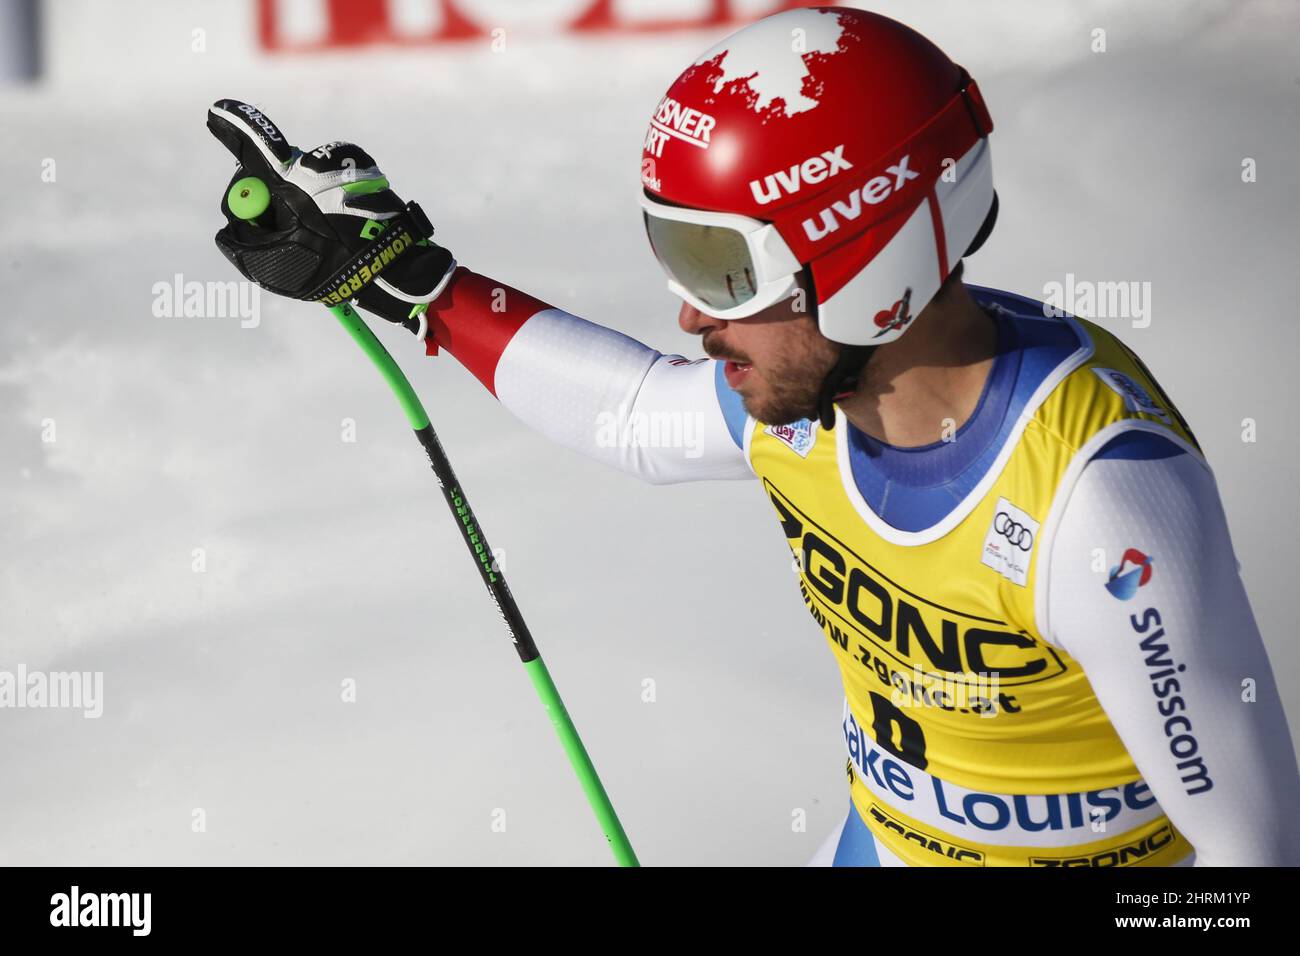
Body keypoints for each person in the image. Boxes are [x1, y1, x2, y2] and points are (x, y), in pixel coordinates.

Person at [207, 6, 1300, 866]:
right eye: (674, 255)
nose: (690, 314)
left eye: (721, 269)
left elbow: (1248, 856)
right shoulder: (813, 398)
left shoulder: (1098, 511)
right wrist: (419, 283)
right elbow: (633, 413)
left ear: (871, 270)